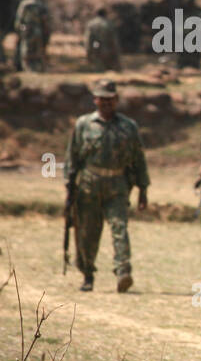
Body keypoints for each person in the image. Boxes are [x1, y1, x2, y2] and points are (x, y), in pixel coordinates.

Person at [64, 79, 150, 292]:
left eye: (110, 99)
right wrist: (69, 186)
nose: (106, 103)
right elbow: (72, 157)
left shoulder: (128, 127)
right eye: (102, 99)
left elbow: (139, 159)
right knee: (88, 232)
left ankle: (123, 271)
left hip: (118, 185)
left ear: (117, 100)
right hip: (88, 185)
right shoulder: (84, 124)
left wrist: (143, 190)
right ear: (95, 100)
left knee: (119, 228)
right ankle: (88, 274)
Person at [15, 0, 51, 72]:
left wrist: (18, 31)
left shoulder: (25, 4)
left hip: (27, 30)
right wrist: (46, 33)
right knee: (38, 50)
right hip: (38, 30)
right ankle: (39, 68)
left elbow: (19, 18)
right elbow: (46, 20)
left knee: (26, 50)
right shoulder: (41, 4)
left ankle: (27, 69)